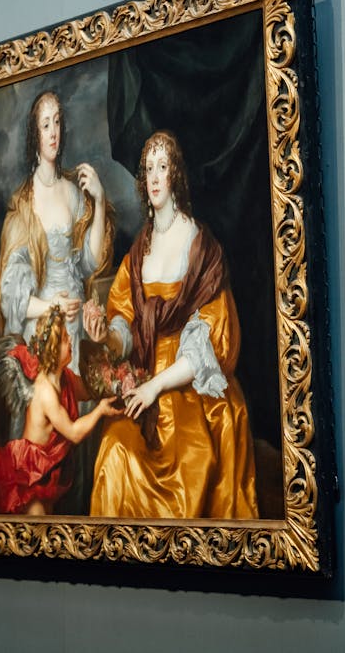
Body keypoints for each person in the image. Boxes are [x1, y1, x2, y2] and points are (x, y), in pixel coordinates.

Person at [83, 130, 258, 519]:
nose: (155, 177)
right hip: (145, 376)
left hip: (187, 382)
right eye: (149, 169)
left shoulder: (200, 248)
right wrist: (106, 337)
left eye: (163, 167)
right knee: (114, 450)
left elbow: (211, 343)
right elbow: (125, 323)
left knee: (191, 462)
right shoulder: (139, 249)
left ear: (176, 174)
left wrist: (155, 387)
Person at [0, 89, 114, 512]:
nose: (53, 132)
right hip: (43, 331)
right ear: (34, 132)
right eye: (45, 123)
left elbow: (92, 261)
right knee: (45, 424)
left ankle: (77, 519)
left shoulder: (72, 191)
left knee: (77, 408)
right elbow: (12, 299)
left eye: (58, 121)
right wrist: (51, 309)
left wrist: (98, 201)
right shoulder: (24, 206)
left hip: (75, 329)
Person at [0, 305, 121, 515]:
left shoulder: (65, 377)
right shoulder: (45, 390)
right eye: (65, 339)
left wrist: (113, 379)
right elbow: (74, 433)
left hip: (50, 469)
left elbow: (88, 391)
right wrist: (100, 410)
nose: (70, 342)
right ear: (53, 349)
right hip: (33, 472)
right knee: (38, 525)